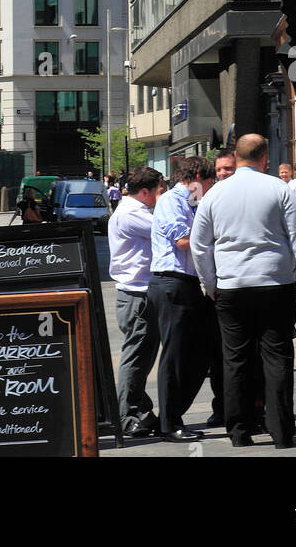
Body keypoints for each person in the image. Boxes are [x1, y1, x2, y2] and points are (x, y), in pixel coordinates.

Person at [191, 133, 296, 450]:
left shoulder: (215, 194)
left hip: (232, 285)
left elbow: (199, 244)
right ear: (265, 158)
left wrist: (210, 284)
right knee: (277, 356)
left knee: (235, 359)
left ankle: (238, 429)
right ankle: (281, 430)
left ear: (236, 155)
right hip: (275, 282)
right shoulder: (278, 189)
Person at [148, 156, 214, 442]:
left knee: (199, 351)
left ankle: (175, 412)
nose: (210, 188)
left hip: (189, 283)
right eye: (209, 182)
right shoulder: (172, 200)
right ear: (197, 176)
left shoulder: (193, 201)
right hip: (171, 282)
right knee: (174, 355)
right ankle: (169, 422)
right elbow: (183, 240)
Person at [107, 165, 164, 439]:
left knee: (140, 357)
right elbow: (166, 232)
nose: (159, 196)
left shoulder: (132, 209)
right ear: (144, 192)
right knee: (136, 358)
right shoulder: (132, 214)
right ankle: (127, 414)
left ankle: (140, 412)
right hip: (136, 295)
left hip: (138, 293)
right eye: (157, 192)